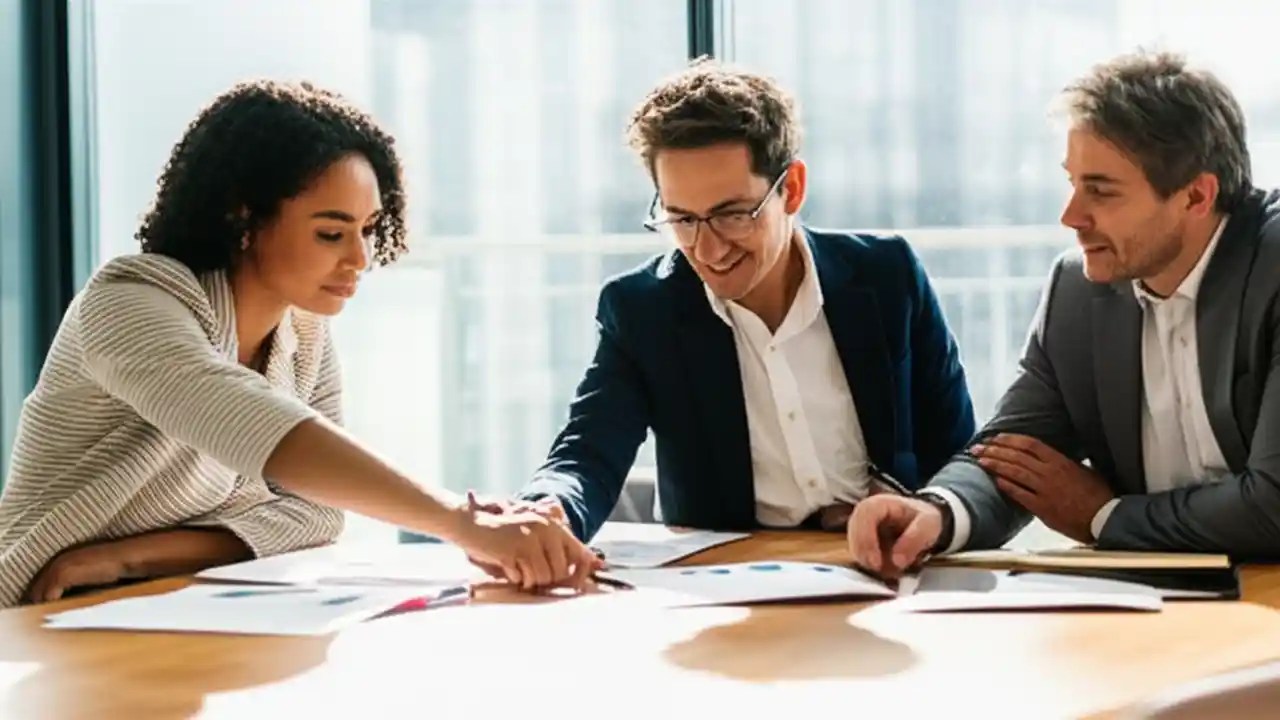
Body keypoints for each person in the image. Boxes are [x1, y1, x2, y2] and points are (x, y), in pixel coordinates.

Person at [0, 80, 597, 607]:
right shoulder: (128, 302)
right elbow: (254, 425)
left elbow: (315, 514)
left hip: (149, 601)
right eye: (332, 232)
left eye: (368, 230)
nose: (361, 257)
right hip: (33, 613)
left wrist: (128, 557)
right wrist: (459, 523)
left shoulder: (303, 334)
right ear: (243, 214)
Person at [848, 50, 1280, 577]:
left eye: (1100, 191)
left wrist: (1103, 516)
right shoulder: (1078, 289)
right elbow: (1016, 454)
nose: (1070, 216)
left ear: (1195, 195)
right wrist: (935, 512)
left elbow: (1272, 507)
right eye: (1072, 182)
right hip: (1158, 605)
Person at [514, 58, 975, 543]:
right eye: (683, 220)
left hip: (893, 570)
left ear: (791, 189)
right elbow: (587, 452)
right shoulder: (643, 310)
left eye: (733, 215)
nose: (708, 251)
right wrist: (544, 514)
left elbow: (961, 459)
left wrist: (929, 514)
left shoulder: (888, 277)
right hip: (736, 582)